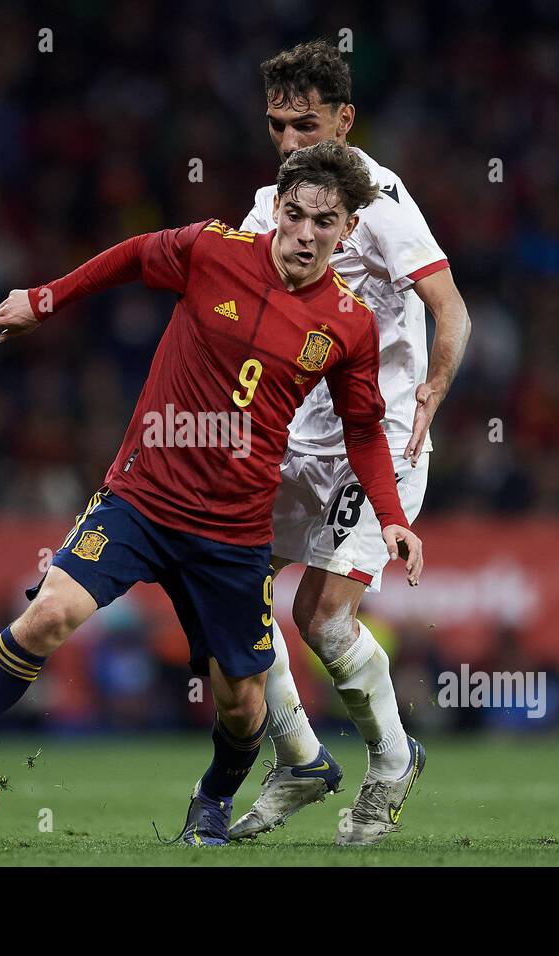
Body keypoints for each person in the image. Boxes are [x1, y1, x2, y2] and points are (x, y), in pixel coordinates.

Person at [0, 141, 424, 845]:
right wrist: (45, 300)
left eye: (327, 222)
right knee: (48, 616)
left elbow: (364, 431)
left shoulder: (348, 324)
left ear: (347, 231)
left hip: (232, 533)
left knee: (242, 704)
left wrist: (392, 517)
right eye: (296, 214)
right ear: (278, 210)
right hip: (142, 500)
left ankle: (212, 802)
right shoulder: (214, 250)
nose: (307, 233)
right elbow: (134, 255)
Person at [230, 40, 472, 846]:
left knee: (322, 621)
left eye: (307, 124)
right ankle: (300, 756)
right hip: (288, 441)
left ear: (344, 119)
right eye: (276, 127)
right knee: (226, 592)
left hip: (372, 442)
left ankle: (392, 760)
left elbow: (452, 309)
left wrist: (433, 390)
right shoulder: (270, 208)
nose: (292, 143)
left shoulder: (385, 201)